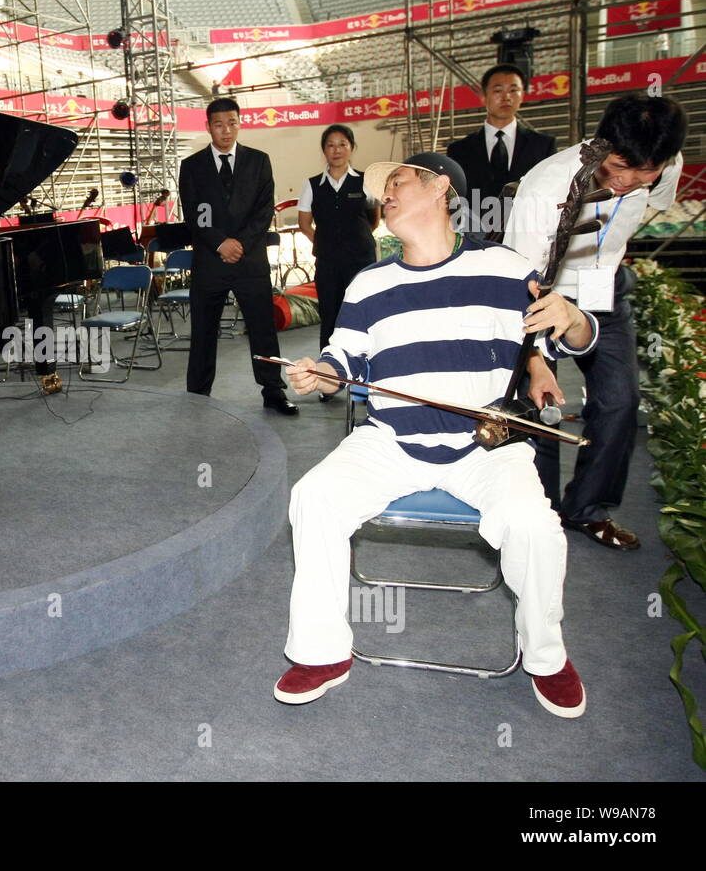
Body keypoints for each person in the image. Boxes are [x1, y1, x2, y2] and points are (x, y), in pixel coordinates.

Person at [274, 152, 597, 719]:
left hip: (485, 445)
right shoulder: (368, 283)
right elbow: (341, 359)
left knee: (534, 527)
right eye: (383, 189)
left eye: (396, 181)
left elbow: (566, 340)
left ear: (440, 186)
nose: (386, 195)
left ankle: (545, 655)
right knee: (313, 497)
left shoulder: (504, 267)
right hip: (391, 440)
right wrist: (320, 376)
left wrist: (570, 318)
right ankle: (322, 652)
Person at [504, 93, 686, 551]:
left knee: (619, 402)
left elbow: (659, 197)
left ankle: (587, 509)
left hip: (606, 292)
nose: (627, 182)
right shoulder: (546, 185)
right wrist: (535, 362)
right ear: (603, 144)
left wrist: (648, 182)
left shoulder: (663, 166)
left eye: (643, 174)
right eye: (619, 167)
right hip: (545, 295)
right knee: (540, 405)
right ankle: (537, 512)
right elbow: (518, 277)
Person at [178, 98, 295, 415]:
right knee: (203, 333)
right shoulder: (192, 166)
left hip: (250, 261)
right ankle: (198, 395)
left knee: (263, 331)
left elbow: (264, 210)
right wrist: (220, 243)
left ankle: (273, 391)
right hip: (210, 263)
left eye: (231, 122)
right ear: (208, 127)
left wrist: (239, 243)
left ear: (239, 123)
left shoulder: (259, 161)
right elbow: (195, 214)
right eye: (218, 124)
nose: (226, 130)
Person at [296, 123, 380, 399]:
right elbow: (304, 222)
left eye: (342, 144)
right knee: (330, 317)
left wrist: (355, 240)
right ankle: (327, 381)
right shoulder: (311, 184)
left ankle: (365, 382)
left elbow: (374, 219)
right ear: (324, 150)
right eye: (331, 145)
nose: (337, 150)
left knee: (365, 316)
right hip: (328, 262)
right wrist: (323, 243)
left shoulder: (364, 180)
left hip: (361, 260)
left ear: (351, 148)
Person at [447, 63, 556, 242]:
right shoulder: (459, 150)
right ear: (483, 96)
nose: (506, 97)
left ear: (522, 96)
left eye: (514, 90)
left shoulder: (543, 146)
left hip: (526, 239)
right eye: (498, 90)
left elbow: (549, 197)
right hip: (475, 242)